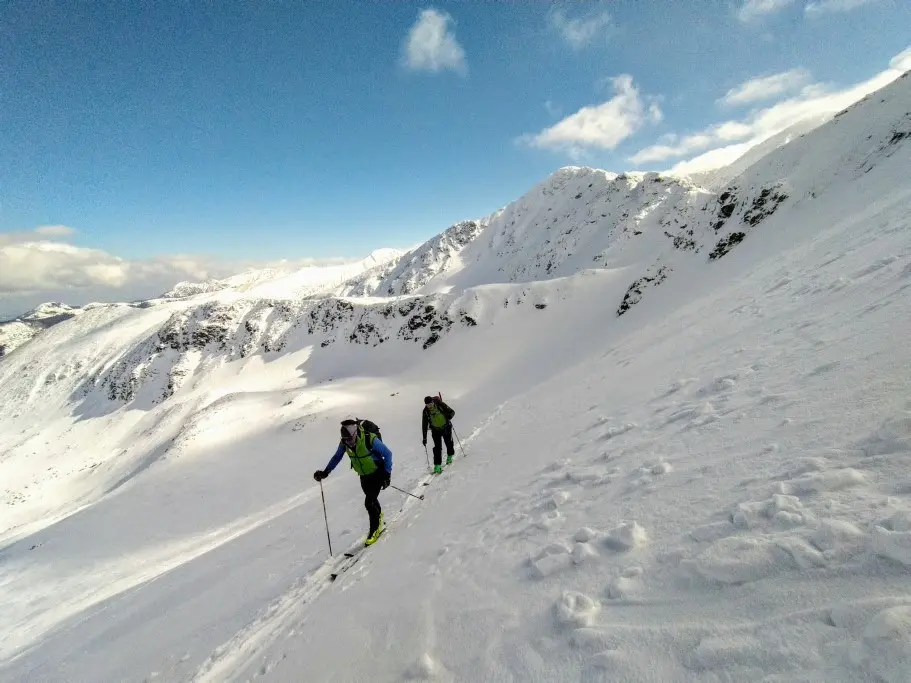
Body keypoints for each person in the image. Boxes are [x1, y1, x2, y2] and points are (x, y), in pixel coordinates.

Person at [313, 419, 393, 546]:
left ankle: (375, 530)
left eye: (350, 439)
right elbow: (337, 457)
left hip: (377, 472)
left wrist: (387, 475)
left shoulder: (369, 439)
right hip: (363, 475)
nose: (348, 443)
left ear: (355, 433)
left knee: (369, 503)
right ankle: (379, 517)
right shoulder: (345, 442)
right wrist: (325, 472)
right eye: (345, 440)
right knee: (371, 499)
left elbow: (388, 454)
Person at [422, 395, 455, 474]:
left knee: (448, 442)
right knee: (437, 448)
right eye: (427, 405)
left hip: (446, 427)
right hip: (435, 430)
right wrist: (424, 438)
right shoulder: (426, 411)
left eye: (430, 404)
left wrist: (448, 418)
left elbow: (452, 412)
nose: (429, 406)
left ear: (433, 402)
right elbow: (424, 425)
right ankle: (437, 465)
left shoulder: (440, 405)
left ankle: (450, 455)